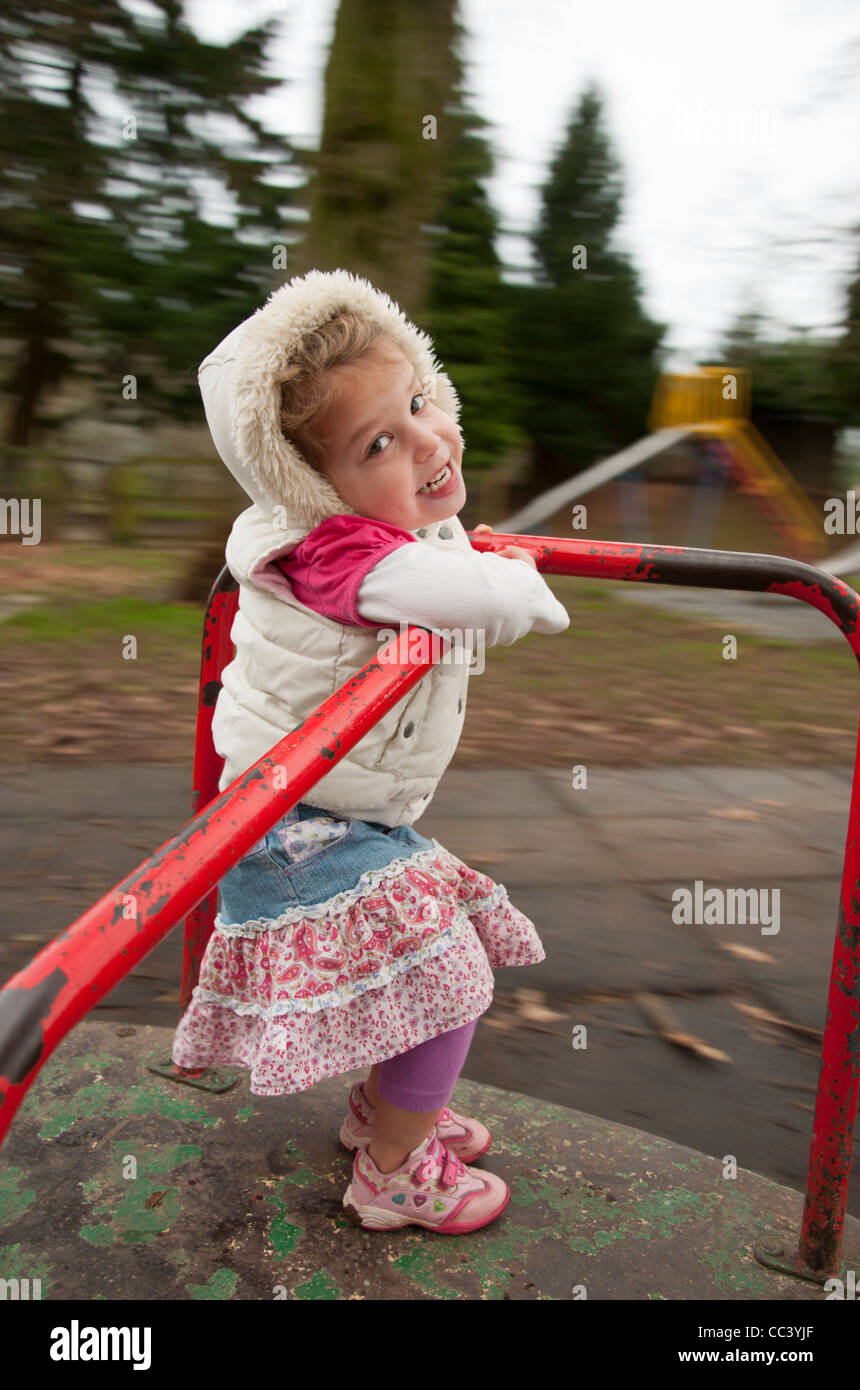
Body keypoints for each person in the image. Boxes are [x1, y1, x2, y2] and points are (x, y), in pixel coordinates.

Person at [171, 268, 570, 1235]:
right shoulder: (331, 549)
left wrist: (472, 555)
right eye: (379, 442)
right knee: (450, 981)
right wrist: (514, 584)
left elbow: (440, 566)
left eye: (420, 402)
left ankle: (382, 1113)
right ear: (311, 483)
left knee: (450, 958)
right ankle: (392, 1170)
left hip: (330, 813)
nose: (427, 441)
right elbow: (483, 600)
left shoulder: (392, 530)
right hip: (292, 828)